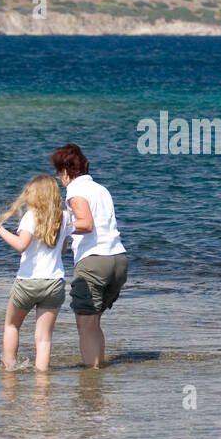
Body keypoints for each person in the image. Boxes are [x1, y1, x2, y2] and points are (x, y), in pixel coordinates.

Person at [0, 174, 74, 372]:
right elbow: (63, 250)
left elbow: (21, 245)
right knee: (43, 337)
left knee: (12, 326)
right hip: (54, 282)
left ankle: (10, 370)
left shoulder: (30, 216)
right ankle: (42, 381)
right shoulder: (66, 216)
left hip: (28, 282)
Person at [50, 144, 127, 368]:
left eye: (58, 173)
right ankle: (98, 369)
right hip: (118, 259)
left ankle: (91, 379)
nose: (59, 178)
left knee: (85, 325)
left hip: (94, 262)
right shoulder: (101, 189)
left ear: (65, 171)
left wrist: (59, 226)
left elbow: (85, 223)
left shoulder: (75, 190)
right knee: (94, 324)